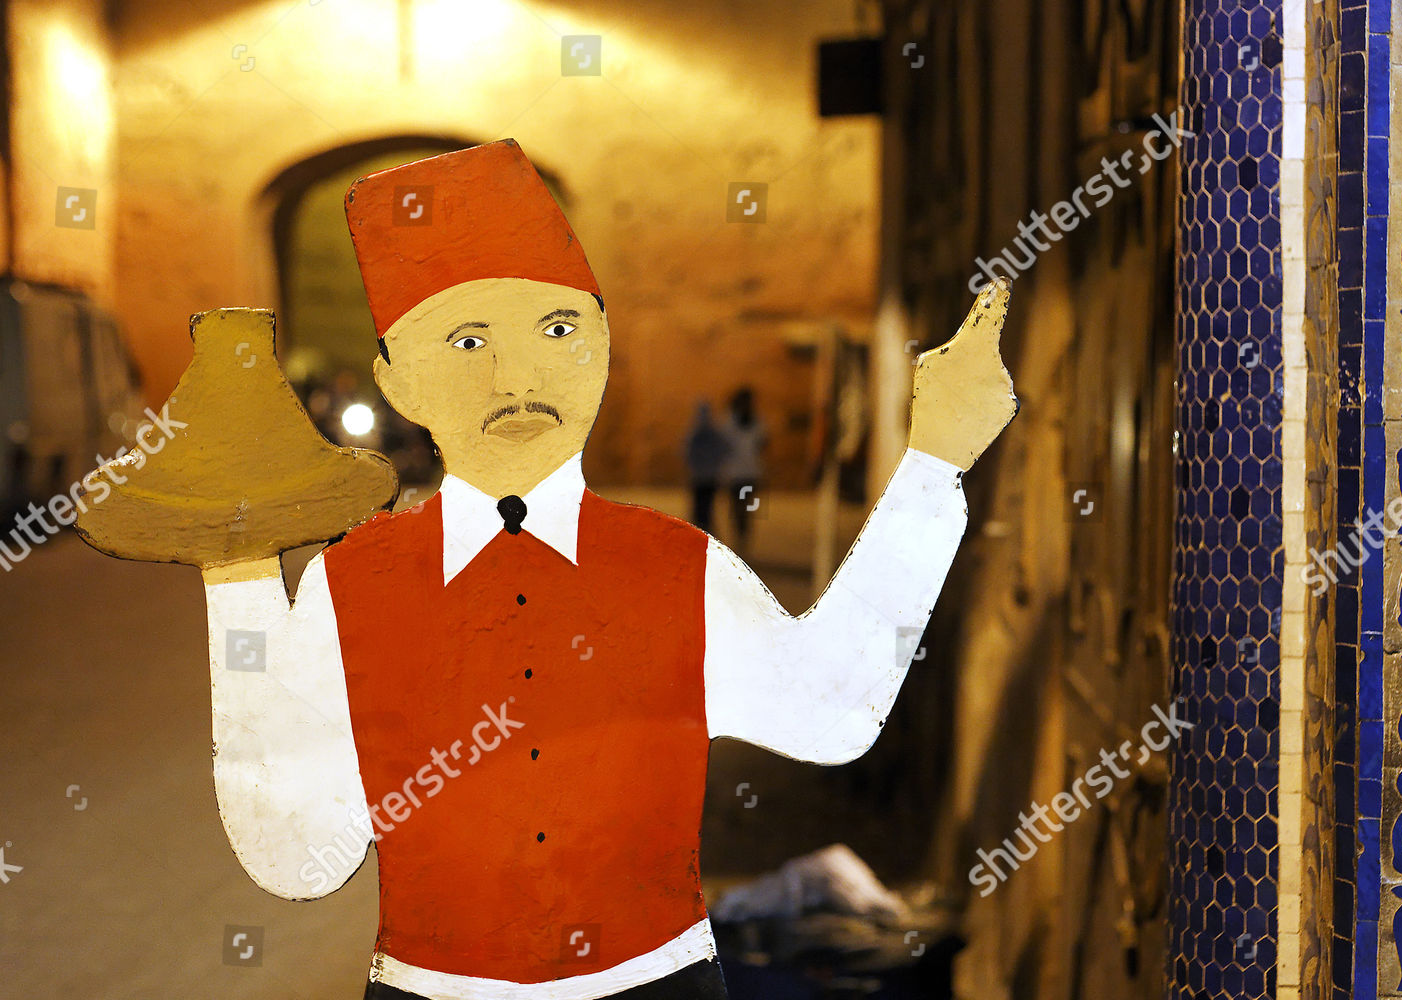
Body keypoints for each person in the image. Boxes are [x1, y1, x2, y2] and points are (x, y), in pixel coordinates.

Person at [198, 139, 1017, 1000]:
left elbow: (830, 714)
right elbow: (293, 854)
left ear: (601, 347)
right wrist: (237, 576)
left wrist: (935, 464)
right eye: (468, 341)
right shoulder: (350, 583)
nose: (518, 378)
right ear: (396, 380)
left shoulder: (679, 565)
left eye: (557, 331)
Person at [719, 387, 765, 549]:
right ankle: (740, 537)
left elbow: (762, 444)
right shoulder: (731, 423)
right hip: (736, 474)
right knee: (738, 507)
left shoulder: (756, 422)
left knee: (748, 507)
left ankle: (743, 538)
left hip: (750, 474)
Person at [683, 400, 728, 534]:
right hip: (706, 476)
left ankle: (701, 531)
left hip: (703, 476)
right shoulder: (706, 432)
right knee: (704, 507)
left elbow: (687, 452)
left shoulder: (697, 432)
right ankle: (702, 531)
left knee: (703, 507)